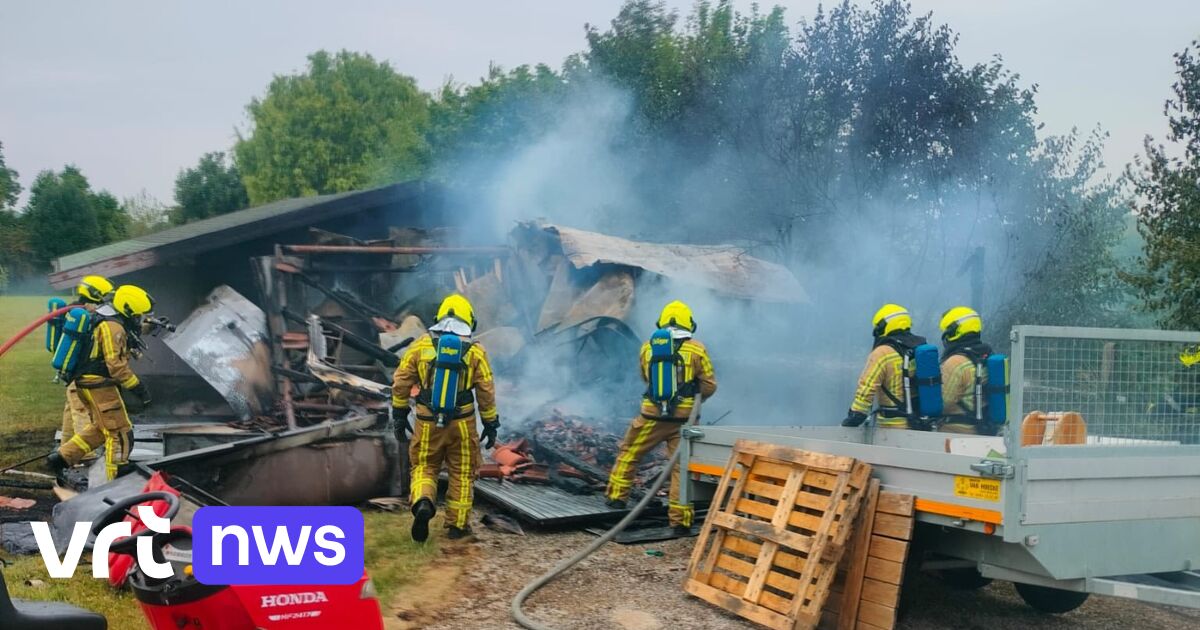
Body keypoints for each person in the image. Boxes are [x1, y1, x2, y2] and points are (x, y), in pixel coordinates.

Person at [392, 294, 499, 542]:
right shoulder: (476, 352)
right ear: (468, 321)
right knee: (461, 472)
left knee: (424, 466)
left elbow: (401, 382)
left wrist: (399, 413)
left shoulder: (420, 346)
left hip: (427, 422)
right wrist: (491, 423)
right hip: (462, 423)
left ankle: (423, 503)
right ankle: (457, 526)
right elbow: (486, 391)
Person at [605, 301, 717, 537]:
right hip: (685, 420)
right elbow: (709, 385)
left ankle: (617, 498)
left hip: (652, 416)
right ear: (690, 324)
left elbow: (645, 377)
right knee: (681, 468)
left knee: (629, 452)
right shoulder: (698, 350)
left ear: (661, 323)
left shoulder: (647, 348)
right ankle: (680, 522)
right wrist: (693, 398)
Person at [47, 285, 153, 481]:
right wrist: (139, 388)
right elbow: (116, 365)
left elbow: (130, 333)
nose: (138, 318)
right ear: (128, 309)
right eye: (137, 315)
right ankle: (115, 478)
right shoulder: (113, 326)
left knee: (99, 428)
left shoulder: (105, 317)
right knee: (120, 431)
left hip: (87, 382)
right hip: (100, 385)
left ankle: (61, 458)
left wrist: (150, 327)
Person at [842, 303, 927, 430]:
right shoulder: (920, 350)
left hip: (892, 427)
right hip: (919, 424)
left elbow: (866, 388)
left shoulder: (882, 353)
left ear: (883, 326)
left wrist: (853, 418)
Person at [61, 275, 116, 454]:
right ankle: (85, 457)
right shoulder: (87, 317)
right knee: (82, 415)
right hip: (81, 375)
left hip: (72, 375)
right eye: (105, 297)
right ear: (95, 295)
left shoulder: (76, 313)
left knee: (71, 411)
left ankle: (64, 452)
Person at [937, 306, 994, 435]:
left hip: (956, 432)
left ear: (953, 332)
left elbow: (943, 403)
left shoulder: (955, 362)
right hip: (985, 428)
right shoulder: (987, 356)